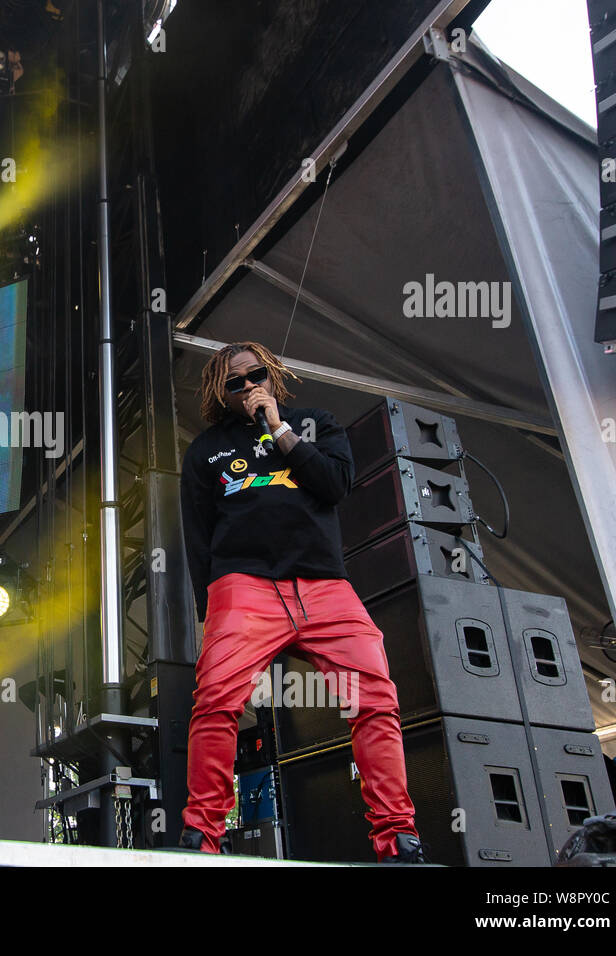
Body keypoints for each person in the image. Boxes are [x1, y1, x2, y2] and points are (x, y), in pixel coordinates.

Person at [178, 340, 426, 863]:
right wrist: (211, 610)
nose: (248, 388)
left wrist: (280, 428)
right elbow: (197, 537)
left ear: (273, 376)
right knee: (216, 702)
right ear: (219, 394)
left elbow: (335, 484)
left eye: (256, 376)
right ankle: (202, 839)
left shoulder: (314, 422)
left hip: (324, 586)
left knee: (376, 699)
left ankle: (397, 838)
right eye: (235, 383)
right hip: (243, 585)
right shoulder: (205, 450)